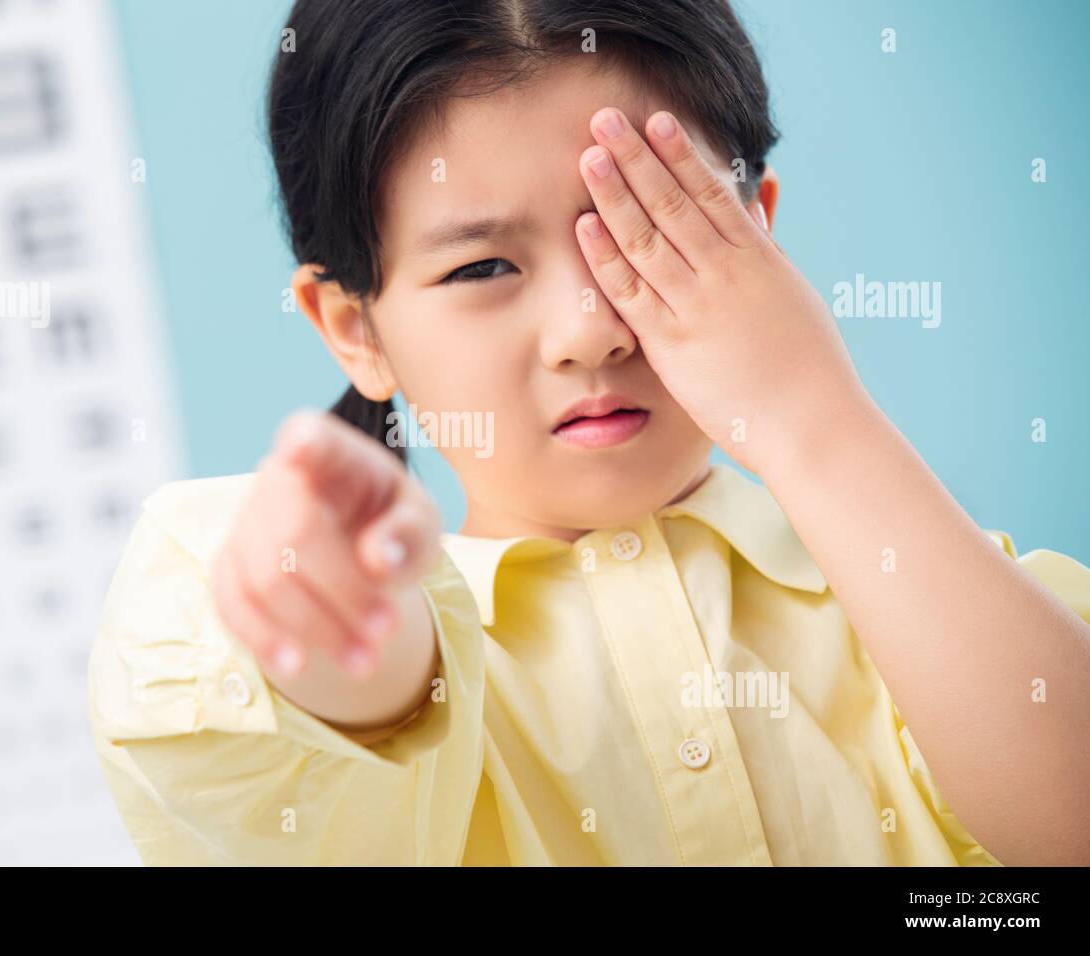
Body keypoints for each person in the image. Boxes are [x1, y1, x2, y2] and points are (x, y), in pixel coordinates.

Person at [87, 0, 1090, 865]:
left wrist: (809, 415)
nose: (589, 329)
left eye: (649, 231)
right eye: (481, 268)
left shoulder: (934, 604)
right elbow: (281, 783)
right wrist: (362, 665)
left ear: (759, 236)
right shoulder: (415, 665)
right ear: (354, 328)